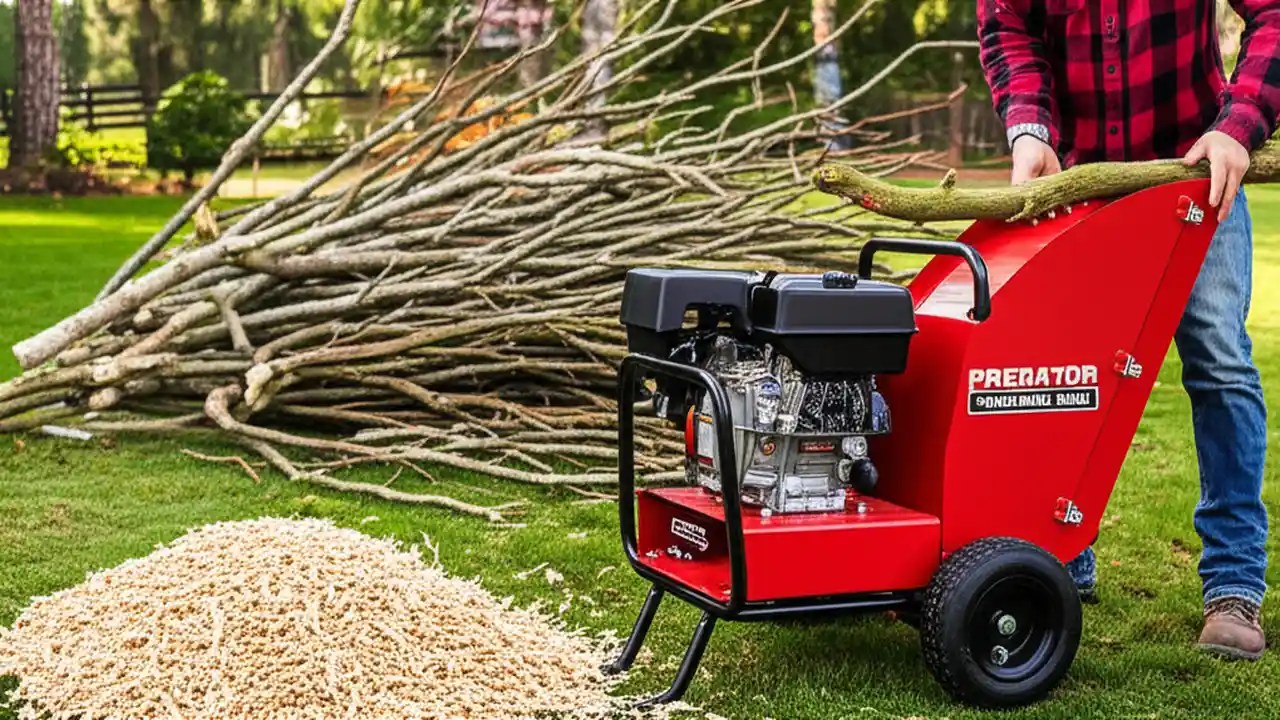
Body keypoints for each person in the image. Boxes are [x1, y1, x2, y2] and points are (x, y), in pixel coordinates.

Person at [977, 0, 1276, 660]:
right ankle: (1055, 558)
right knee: (1057, 373)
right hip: (1077, 183)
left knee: (1219, 363)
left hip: (1198, 176)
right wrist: (1030, 129)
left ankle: (1233, 586)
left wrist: (1239, 125)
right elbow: (1008, 26)